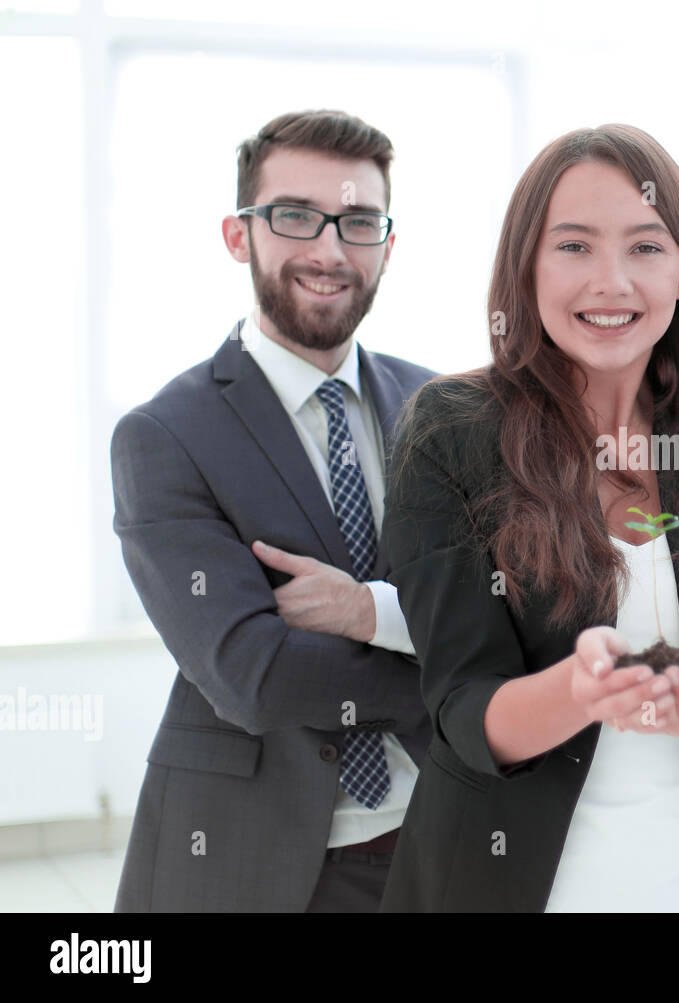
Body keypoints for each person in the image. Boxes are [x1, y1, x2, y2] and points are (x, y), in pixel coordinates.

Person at [378, 123, 679, 912]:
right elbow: (465, 706)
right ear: (527, 267)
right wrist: (583, 690)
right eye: (574, 246)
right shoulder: (452, 430)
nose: (611, 281)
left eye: (646, 248)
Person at [111, 110, 435, 911]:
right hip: (260, 866)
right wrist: (469, 676)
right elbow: (252, 678)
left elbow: (522, 612)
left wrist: (371, 613)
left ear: (388, 246)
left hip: (445, 844)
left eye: (358, 222)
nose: (328, 251)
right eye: (295, 216)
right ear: (238, 234)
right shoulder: (166, 435)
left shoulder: (447, 410)